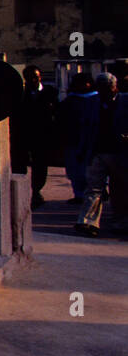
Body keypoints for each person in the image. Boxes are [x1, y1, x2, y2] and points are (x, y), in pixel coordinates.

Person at [74, 73, 128, 238]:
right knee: (94, 187)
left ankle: (120, 222)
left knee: (120, 189)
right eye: (102, 88)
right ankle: (87, 222)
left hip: (120, 152)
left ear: (115, 87)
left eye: (108, 88)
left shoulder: (125, 101)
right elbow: (85, 128)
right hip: (97, 152)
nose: (105, 92)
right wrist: (82, 151)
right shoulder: (92, 103)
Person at [11, 65, 58, 207]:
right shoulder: (20, 95)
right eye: (29, 78)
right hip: (23, 135)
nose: (33, 80)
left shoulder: (50, 93)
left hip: (42, 136)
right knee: (19, 164)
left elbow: (56, 114)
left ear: (40, 77)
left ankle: (36, 191)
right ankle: (22, 191)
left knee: (41, 165)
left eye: (35, 77)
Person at [59, 73, 99, 204]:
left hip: (93, 142)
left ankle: (97, 194)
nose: (83, 86)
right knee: (75, 171)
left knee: (94, 171)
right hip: (73, 141)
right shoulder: (69, 101)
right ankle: (79, 195)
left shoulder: (96, 99)